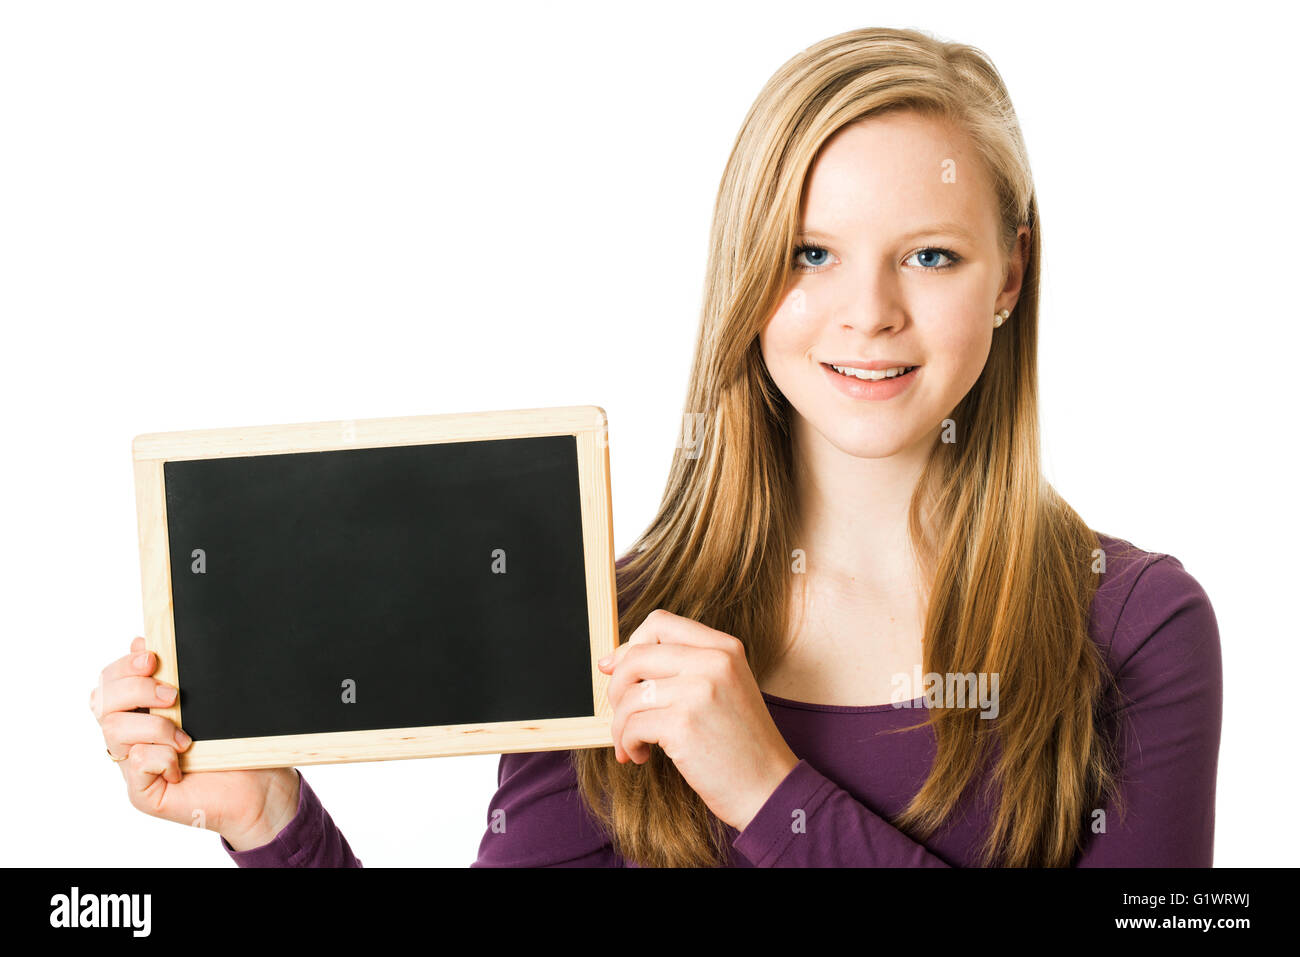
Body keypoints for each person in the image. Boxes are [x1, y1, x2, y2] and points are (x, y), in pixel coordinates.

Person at [92, 26, 1222, 867]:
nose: (868, 310)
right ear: (746, 274)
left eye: (929, 256)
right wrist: (271, 824)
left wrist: (769, 792)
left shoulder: (1136, 628)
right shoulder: (605, 633)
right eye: (810, 253)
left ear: (1010, 273)